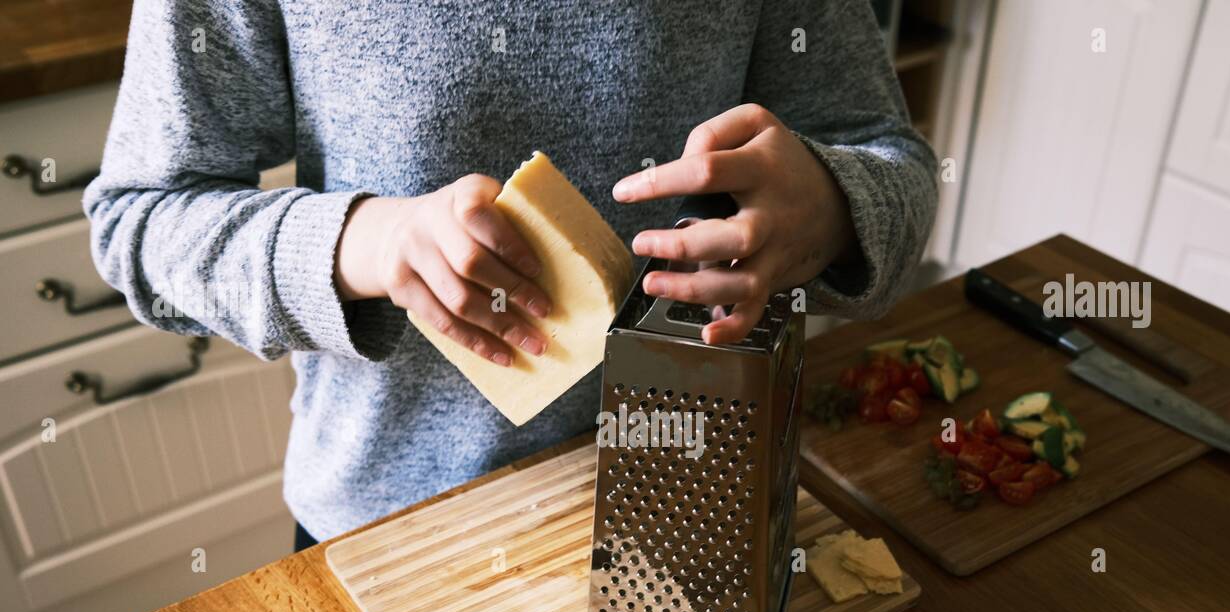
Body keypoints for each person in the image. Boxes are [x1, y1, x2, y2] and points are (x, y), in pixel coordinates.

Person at [85, 1, 937, 549]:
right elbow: (141, 225)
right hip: (394, 532)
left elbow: (893, 164)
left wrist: (829, 208)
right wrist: (370, 241)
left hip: (694, 505)